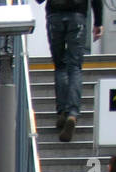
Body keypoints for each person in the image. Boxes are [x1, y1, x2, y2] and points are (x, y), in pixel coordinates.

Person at [36, 0, 104, 142]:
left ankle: (62, 112)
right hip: (77, 17)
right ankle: (72, 113)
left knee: (60, 66)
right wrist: (98, 22)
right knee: (75, 67)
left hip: (55, 17)